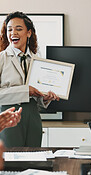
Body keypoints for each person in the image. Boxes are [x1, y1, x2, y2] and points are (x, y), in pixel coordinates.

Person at [0, 11, 60, 147]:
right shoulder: (1, 59)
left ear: (29, 33)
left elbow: (38, 100)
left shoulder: (37, 61)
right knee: (11, 162)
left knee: (35, 160)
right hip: (9, 116)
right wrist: (26, 91)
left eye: (18, 29)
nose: (13, 33)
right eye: (10, 29)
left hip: (33, 116)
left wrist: (45, 98)